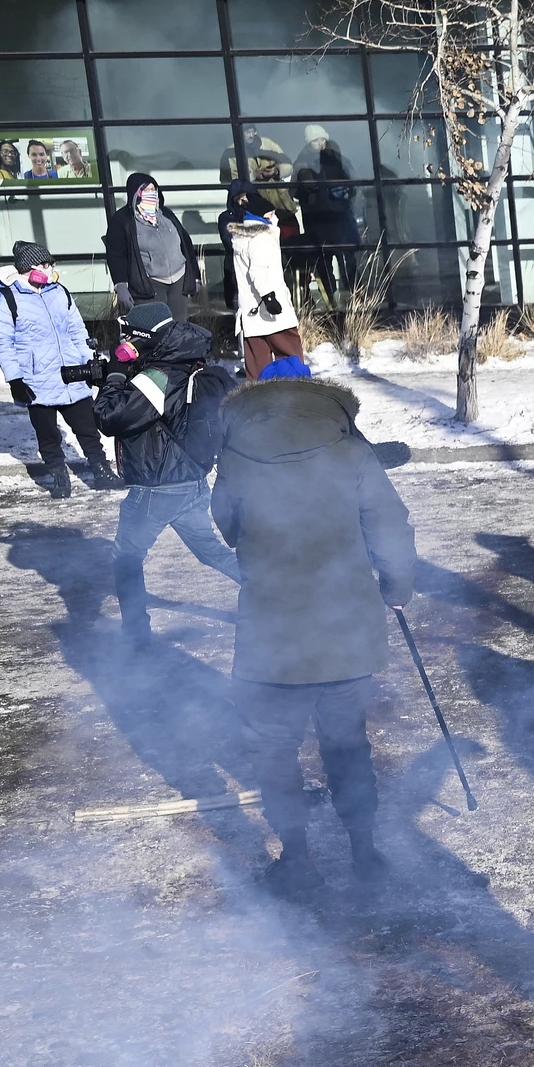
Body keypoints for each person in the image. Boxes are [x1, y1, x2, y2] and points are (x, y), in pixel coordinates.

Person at [212, 375, 417, 893]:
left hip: (270, 629)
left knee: (273, 747)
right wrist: (397, 587)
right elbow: (390, 528)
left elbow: (227, 526)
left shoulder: (235, 456)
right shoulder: (353, 453)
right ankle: (366, 854)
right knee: (346, 741)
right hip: (344, 626)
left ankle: (297, 859)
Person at [94, 301, 241, 645]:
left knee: (126, 557)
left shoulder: (157, 375)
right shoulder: (181, 361)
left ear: (144, 336)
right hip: (188, 480)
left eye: (129, 333)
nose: (124, 338)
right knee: (212, 553)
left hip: (157, 486)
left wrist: (116, 375)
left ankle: (135, 636)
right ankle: (276, 598)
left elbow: (111, 417)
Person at [0, 241, 118, 497]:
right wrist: (15, 379)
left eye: (50, 264)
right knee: (48, 435)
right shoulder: (5, 300)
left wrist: (90, 364)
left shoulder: (59, 291)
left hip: (71, 374)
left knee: (88, 429)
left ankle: (102, 471)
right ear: (27, 268)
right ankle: (58, 475)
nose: (49, 269)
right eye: (43, 264)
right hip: (36, 380)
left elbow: (76, 330)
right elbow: (3, 343)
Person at [222, 184, 303, 380]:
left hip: (252, 314)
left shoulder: (242, 237)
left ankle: (257, 401)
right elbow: (259, 271)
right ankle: (298, 392)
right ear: (263, 216)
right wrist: (269, 298)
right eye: (271, 213)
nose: (274, 216)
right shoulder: (261, 238)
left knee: (258, 364)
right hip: (272, 312)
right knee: (290, 356)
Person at [105, 174, 201, 321]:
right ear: (136, 193)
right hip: (150, 285)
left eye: (153, 189)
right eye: (146, 190)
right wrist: (121, 285)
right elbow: (116, 255)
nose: (151, 193)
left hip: (178, 281)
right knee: (156, 329)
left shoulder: (166, 214)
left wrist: (194, 277)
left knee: (179, 329)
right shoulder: (122, 220)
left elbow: (185, 243)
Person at [293, 124, 362, 306]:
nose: (321, 144)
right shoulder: (302, 163)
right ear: (309, 143)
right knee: (324, 264)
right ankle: (332, 302)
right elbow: (297, 190)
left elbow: (354, 183)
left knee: (347, 262)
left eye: (323, 139)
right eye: (316, 141)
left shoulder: (338, 159)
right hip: (319, 221)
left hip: (339, 219)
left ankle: (354, 299)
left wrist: (344, 195)